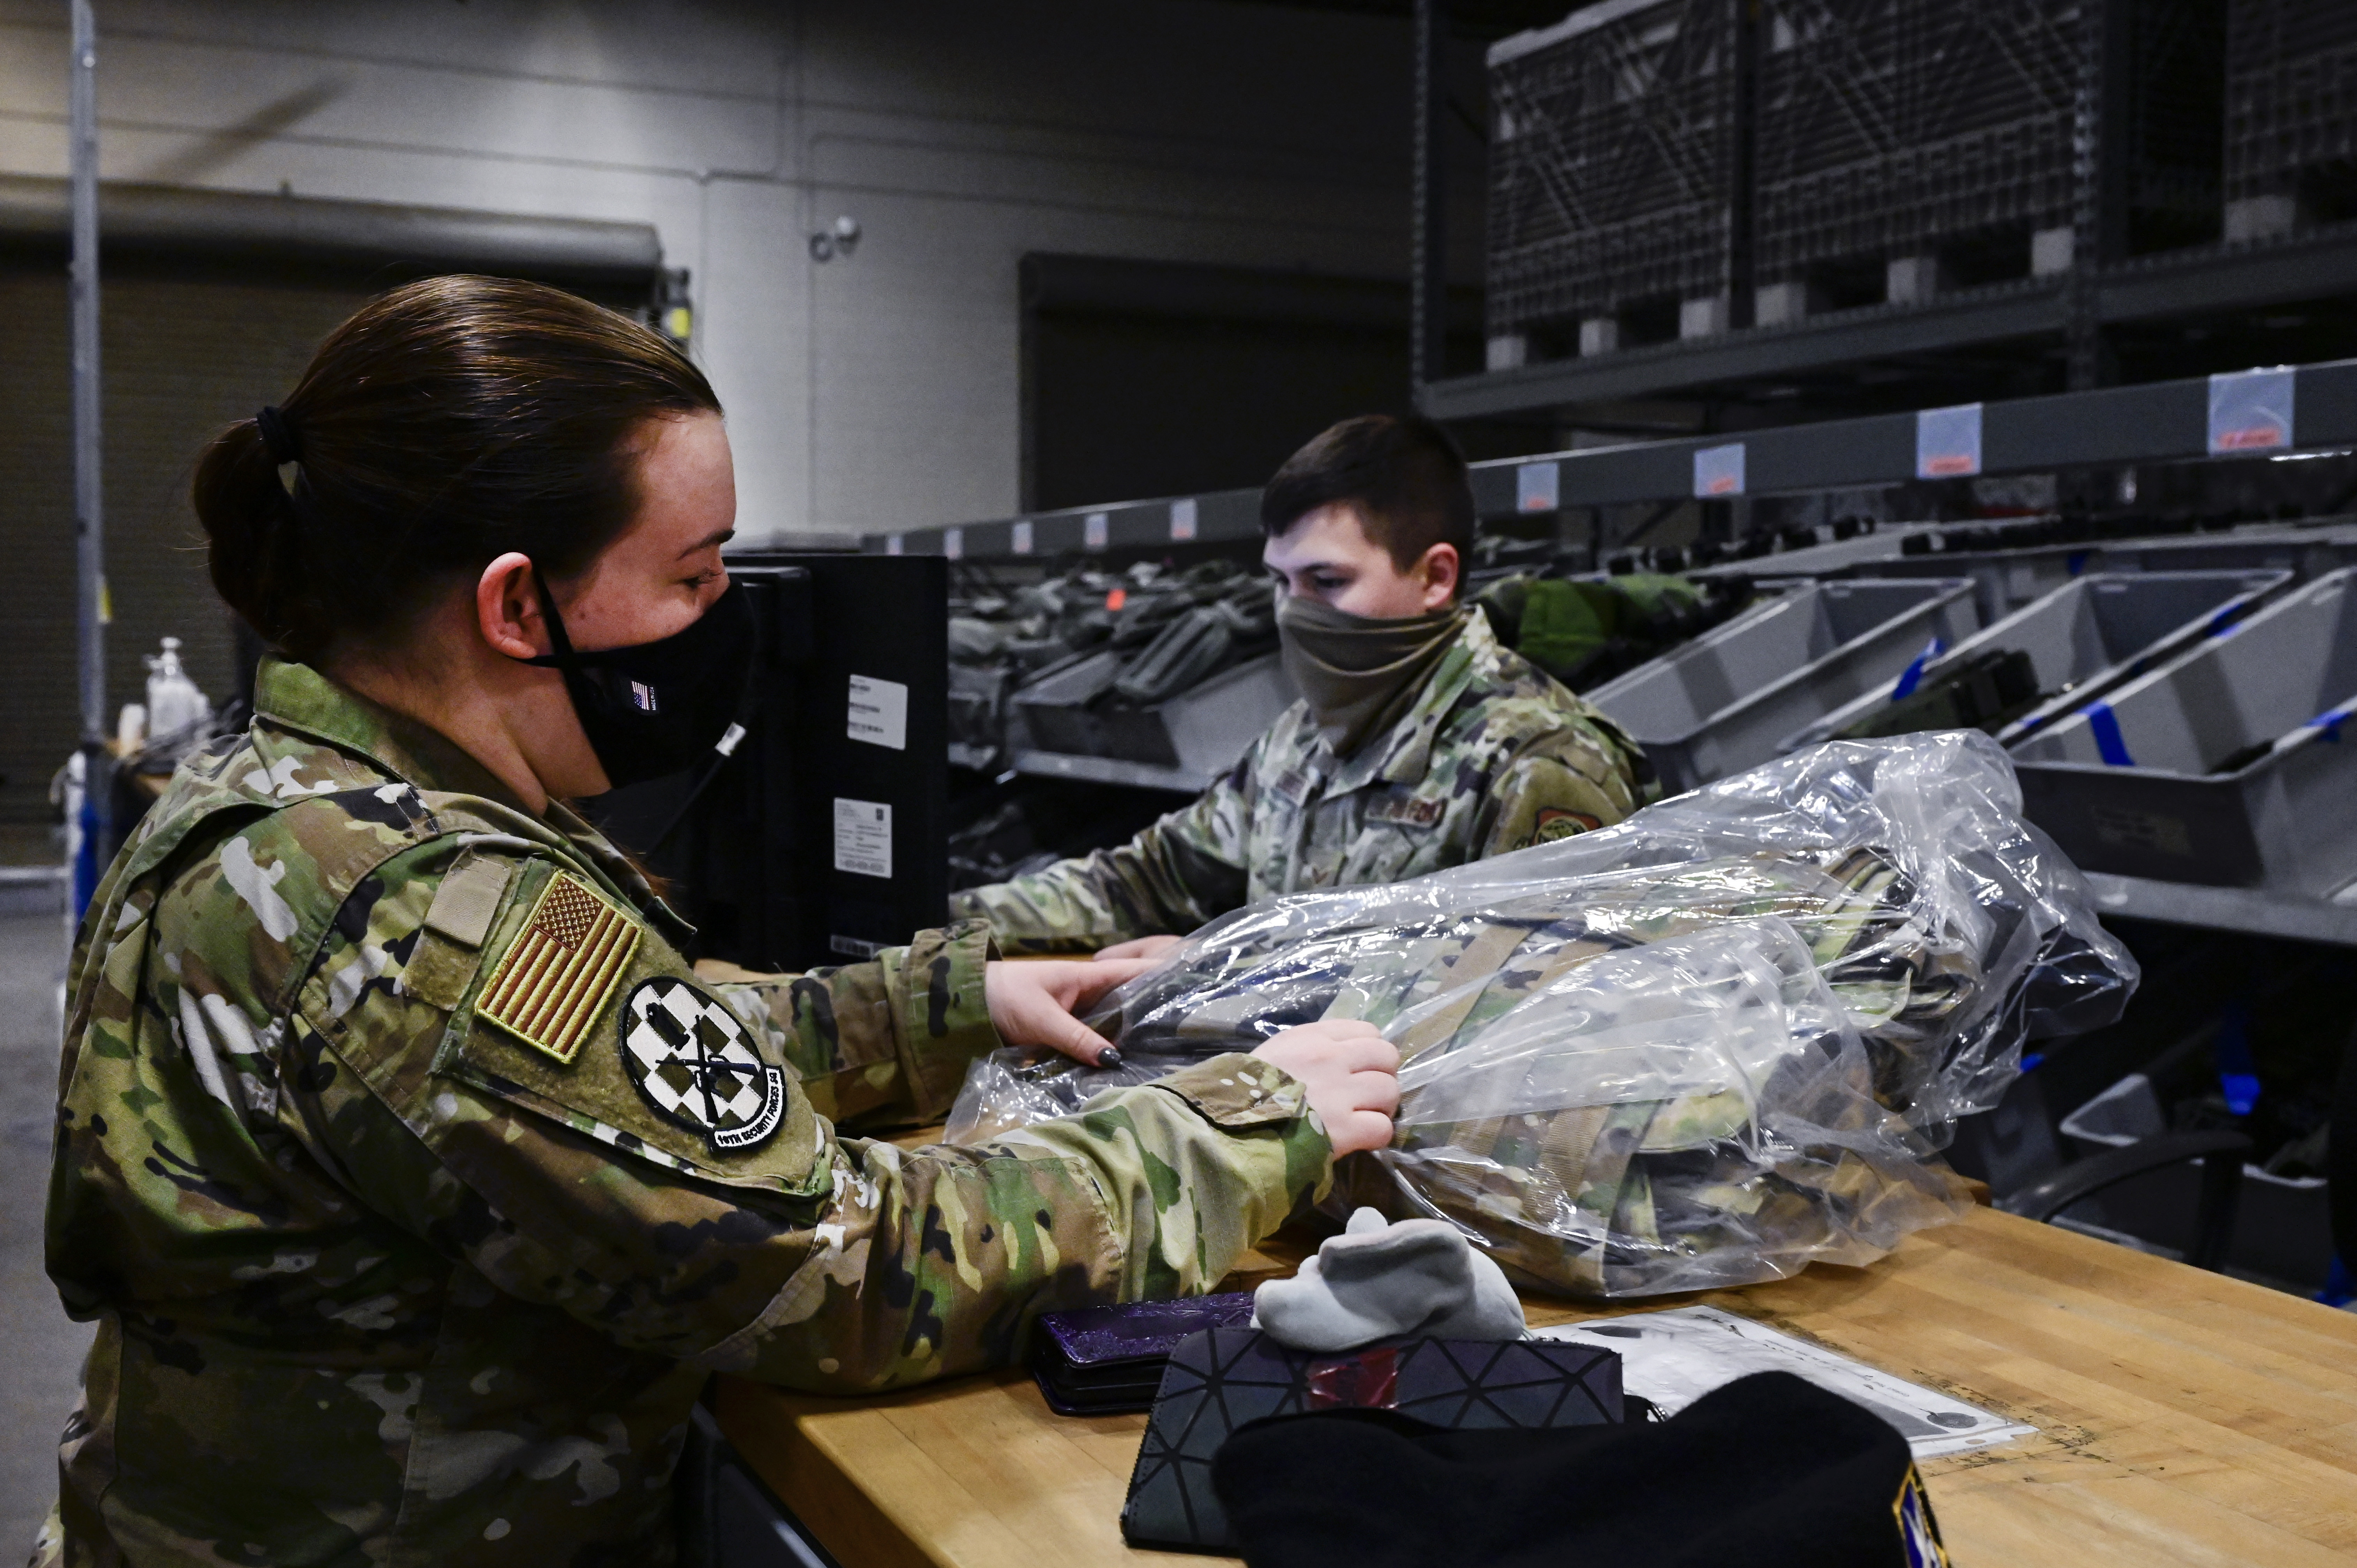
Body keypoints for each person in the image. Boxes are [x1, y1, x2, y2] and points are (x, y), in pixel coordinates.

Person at [39, 276, 1399, 1567]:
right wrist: (1244, 1119)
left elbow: (630, 1059)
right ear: (516, 605)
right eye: (691, 576)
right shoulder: (431, 917)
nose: (721, 617)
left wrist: (943, 1002)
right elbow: (847, 1267)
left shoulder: (291, 791)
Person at [952, 414, 1651, 957]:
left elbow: (1523, 1008)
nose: (1294, 611)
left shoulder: (1540, 763)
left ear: (1435, 577)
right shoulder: (1303, 742)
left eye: (1327, 581)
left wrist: (1212, 968)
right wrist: (942, 921)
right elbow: (1149, 881)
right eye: (1280, 582)